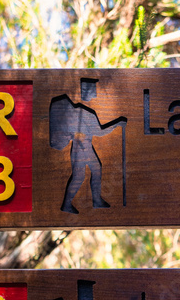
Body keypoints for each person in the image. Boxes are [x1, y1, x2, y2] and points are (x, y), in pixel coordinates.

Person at [48, 79, 126, 213]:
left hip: (86, 149)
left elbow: (97, 131)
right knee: (80, 176)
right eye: (88, 92)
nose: (91, 96)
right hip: (80, 151)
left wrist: (116, 124)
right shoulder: (77, 113)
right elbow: (99, 132)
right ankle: (69, 204)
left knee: (95, 170)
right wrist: (116, 125)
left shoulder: (87, 113)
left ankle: (95, 200)